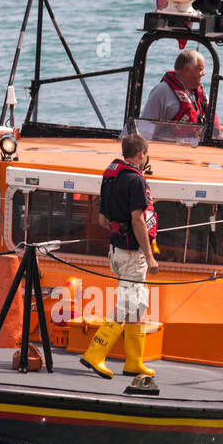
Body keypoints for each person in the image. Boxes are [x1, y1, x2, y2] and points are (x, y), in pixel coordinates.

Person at [80, 133, 160, 380]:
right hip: (131, 253)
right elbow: (138, 220)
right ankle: (95, 353)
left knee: (139, 304)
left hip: (116, 250)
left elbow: (102, 218)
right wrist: (150, 256)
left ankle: (134, 362)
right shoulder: (135, 180)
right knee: (127, 303)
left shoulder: (110, 175)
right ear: (141, 154)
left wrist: (119, 231)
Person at [137, 49, 223, 141]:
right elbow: (144, 129)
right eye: (200, 69)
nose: (204, 74)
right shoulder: (161, 92)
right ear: (187, 70)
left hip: (197, 145)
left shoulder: (199, 92)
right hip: (170, 149)